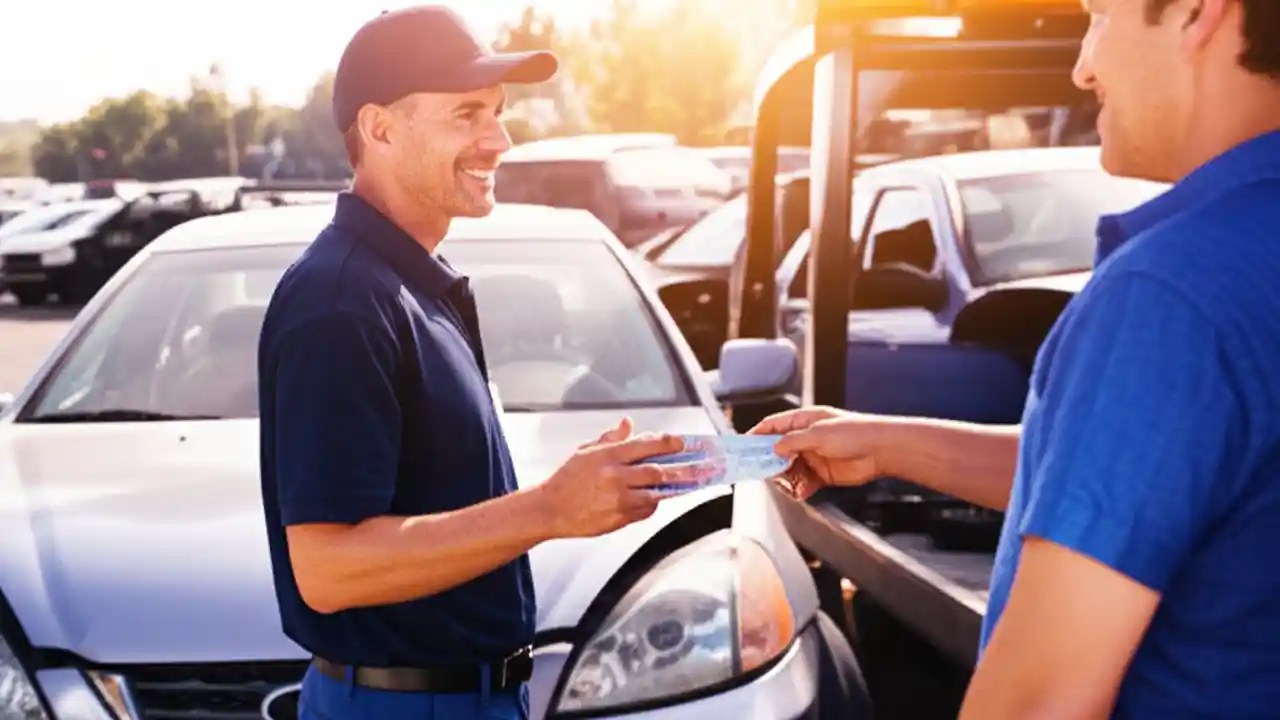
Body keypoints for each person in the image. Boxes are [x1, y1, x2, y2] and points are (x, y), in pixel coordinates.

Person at [753, 0, 1280, 716]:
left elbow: (1036, 705)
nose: (1083, 67)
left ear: (1196, 13)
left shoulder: (1170, 297)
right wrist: (885, 444)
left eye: (1099, 17)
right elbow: (1137, 476)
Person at [256, 7, 689, 719]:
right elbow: (328, 570)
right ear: (380, 128)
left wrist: (571, 489)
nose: (500, 139)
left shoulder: (408, 282)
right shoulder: (341, 303)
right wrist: (549, 509)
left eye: (497, 112)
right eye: (467, 114)